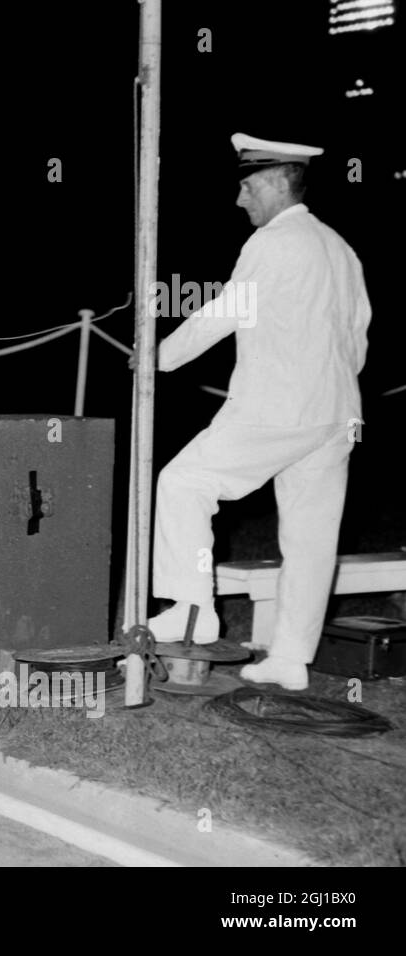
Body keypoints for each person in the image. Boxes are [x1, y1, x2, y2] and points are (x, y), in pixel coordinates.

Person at [147, 133, 372, 691]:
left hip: (278, 408)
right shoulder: (339, 248)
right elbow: (358, 339)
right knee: (310, 538)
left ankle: (191, 610)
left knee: (183, 483)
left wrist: (156, 358)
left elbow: (225, 310)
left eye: (247, 186)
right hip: (337, 413)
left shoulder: (273, 243)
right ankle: (292, 660)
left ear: (274, 182)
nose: (240, 198)